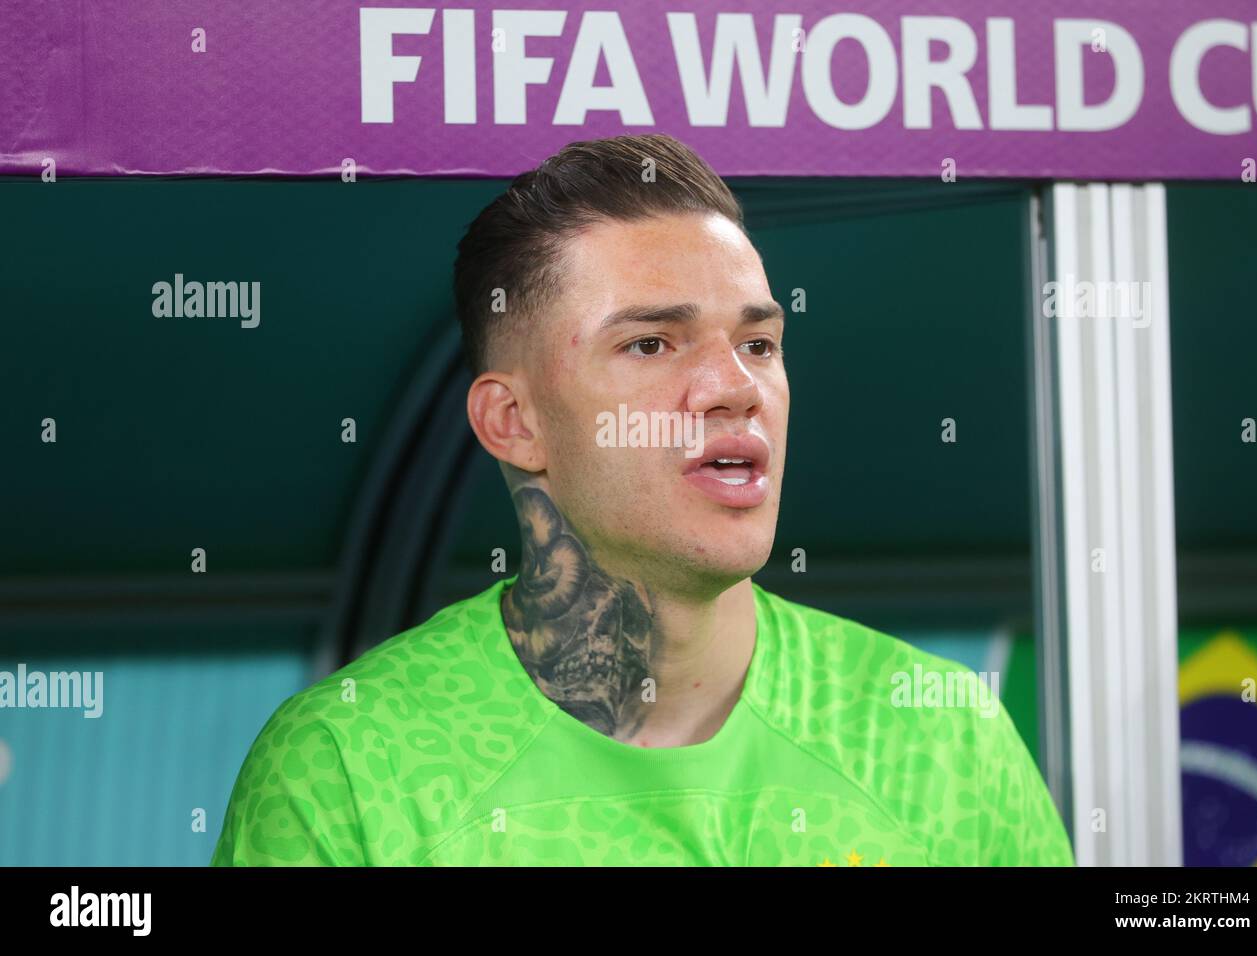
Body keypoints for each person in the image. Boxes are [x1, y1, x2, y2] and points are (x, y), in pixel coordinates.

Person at [211, 133, 1073, 866]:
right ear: (513, 422)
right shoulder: (347, 767)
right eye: (652, 342)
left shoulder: (944, 739)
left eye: (759, 342)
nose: (734, 388)